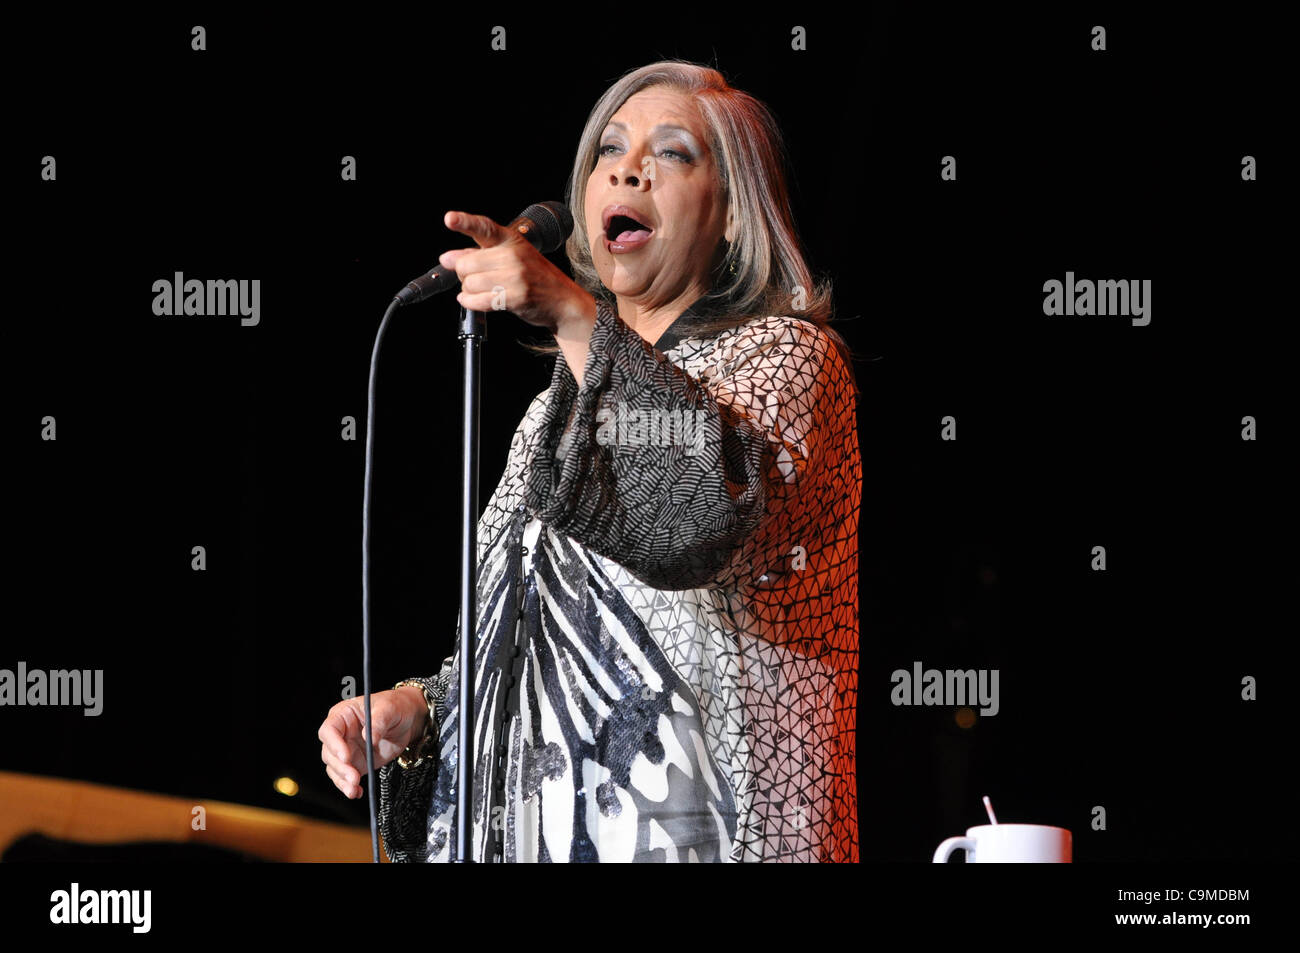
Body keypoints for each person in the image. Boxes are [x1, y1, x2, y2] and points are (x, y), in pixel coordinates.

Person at [317, 60, 861, 863]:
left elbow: (697, 519)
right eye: (611, 147)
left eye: (673, 152)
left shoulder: (787, 359)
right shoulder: (551, 412)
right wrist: (420, 707)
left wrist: (577, 316)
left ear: (735, 217)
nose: (628, 165)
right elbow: (522, 638)